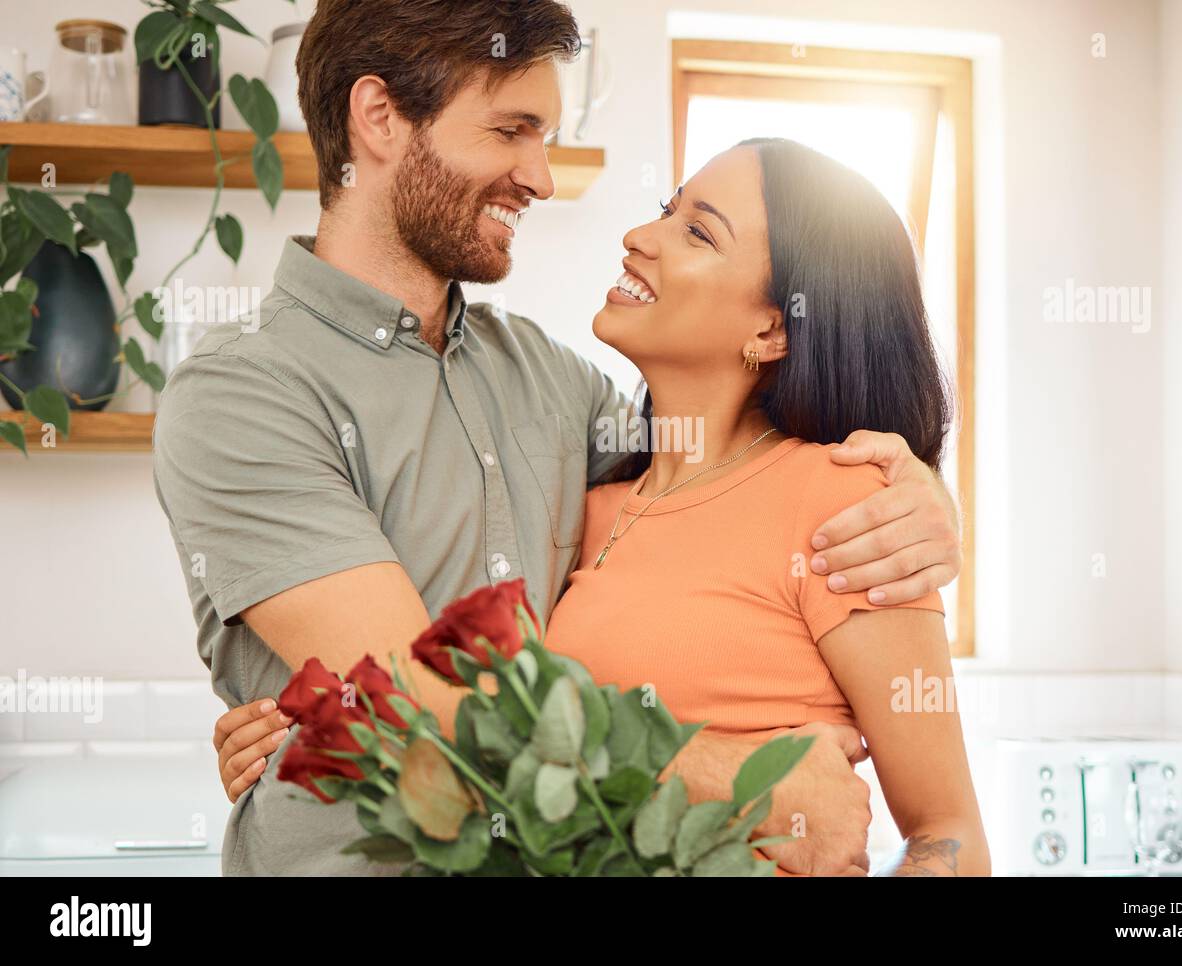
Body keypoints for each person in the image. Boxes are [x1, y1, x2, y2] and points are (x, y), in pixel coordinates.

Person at [156, 0, 963, 876]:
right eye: (512, 130)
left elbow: (724, 462)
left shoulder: (549, 380)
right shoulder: (243, 392)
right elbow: (420, 700)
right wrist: (735, 775)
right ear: (380, 116)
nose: (539, 178)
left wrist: (917, 490)